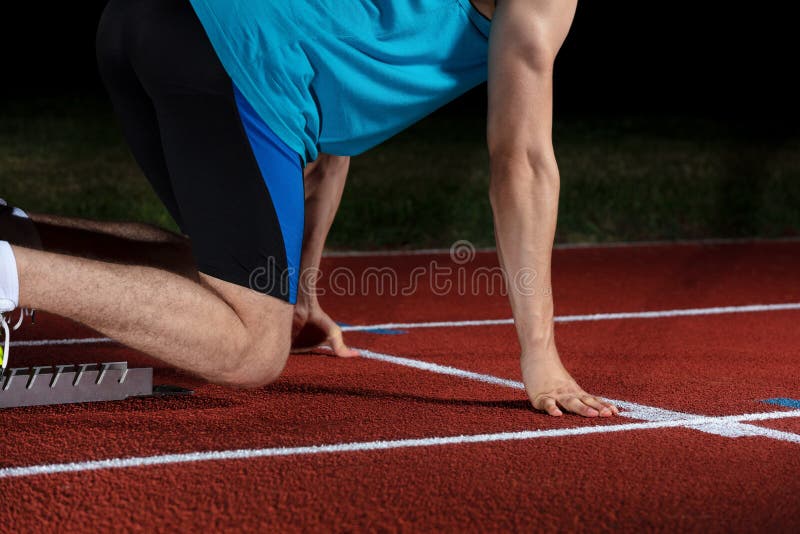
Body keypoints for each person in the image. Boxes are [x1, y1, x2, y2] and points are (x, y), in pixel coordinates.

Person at [0, 0, 618, 417]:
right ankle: (7, 273)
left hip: (142, 24)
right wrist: (539, 352)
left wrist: (300, 291)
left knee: (222, 276)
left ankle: (13, 232)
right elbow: (522, 163)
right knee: (251, 346)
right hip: (237, 54)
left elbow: (326, 153)